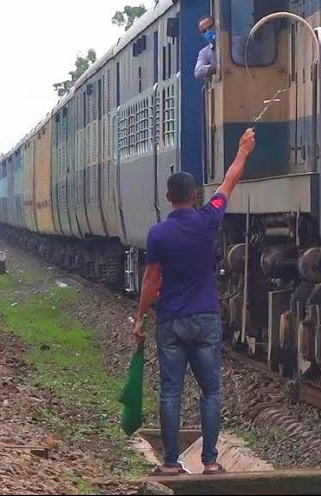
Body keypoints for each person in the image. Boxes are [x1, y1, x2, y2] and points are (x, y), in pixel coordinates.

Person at [133, 127, 257, 477]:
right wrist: (243, 150)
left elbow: (150, 280)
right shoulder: (209, 218)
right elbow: (229, 182)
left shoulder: (158, 233)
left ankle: (170, 463)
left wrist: (140, 318)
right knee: (211, 392)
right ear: (194, 195)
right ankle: (210, 461)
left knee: (170, 392)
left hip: (171, 320)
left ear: (169, 197)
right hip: (205, 318)